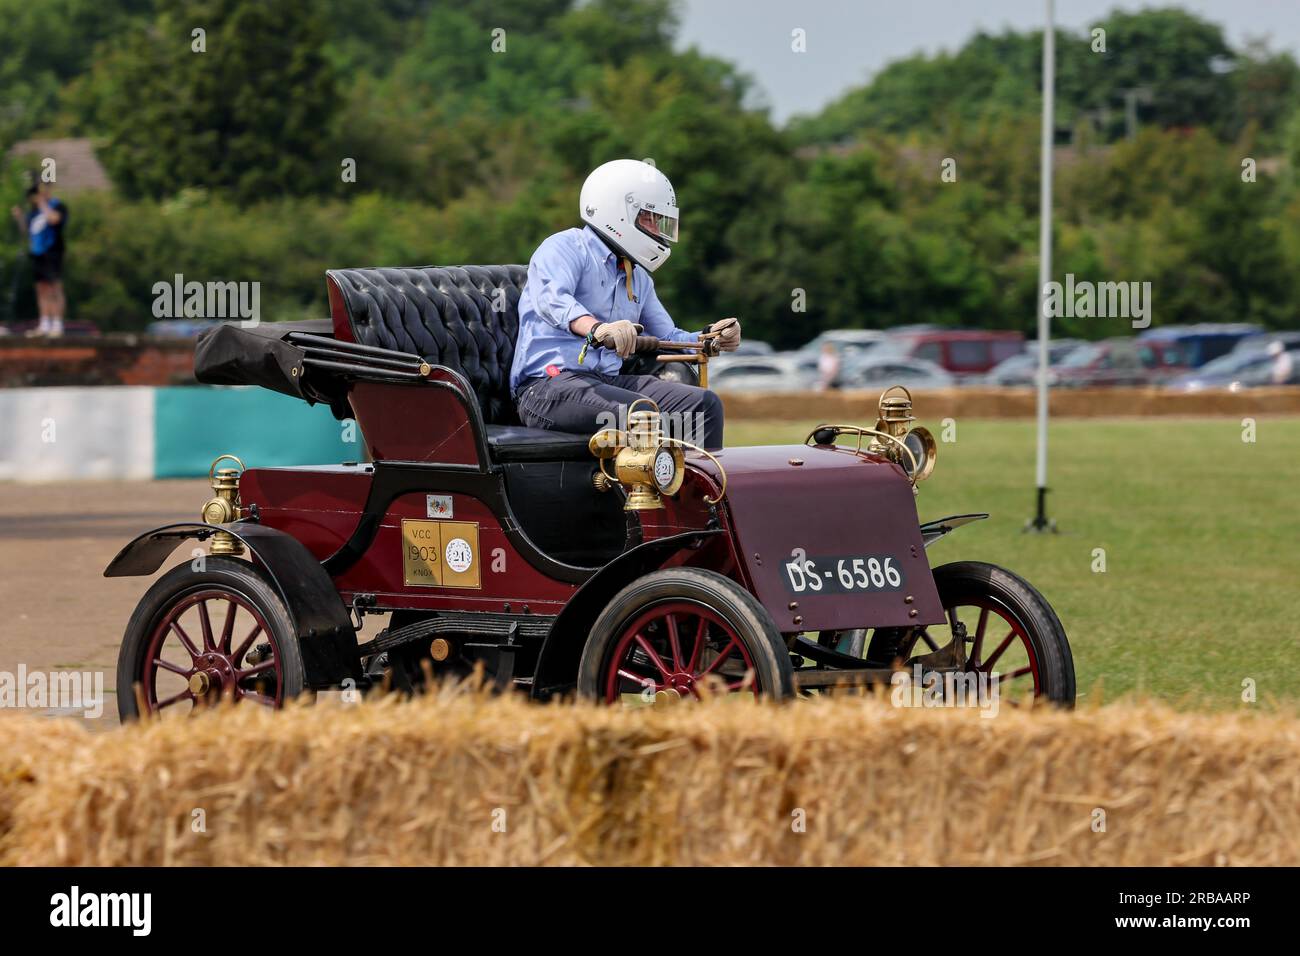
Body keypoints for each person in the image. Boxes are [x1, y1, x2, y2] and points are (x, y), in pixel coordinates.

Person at [508, 159, 740, 450]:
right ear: (616, 211)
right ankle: (642, 494)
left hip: (604, 382)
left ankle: (698, 494)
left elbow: (667, 337)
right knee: (640, 413)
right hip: (546, 389)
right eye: (649, 218)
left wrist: (709, 339)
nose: (657, 229)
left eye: (660, 220)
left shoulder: (637, 277)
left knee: (705, 406)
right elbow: (552, 299)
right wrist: (598, 329)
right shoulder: (565, 246)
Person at [10, 183, 68, 337]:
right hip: (37, 253)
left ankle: (57, 324)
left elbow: (53, 220)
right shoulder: (34, 212)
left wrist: (43, 203)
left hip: (53, 252)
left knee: (54, 287)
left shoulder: (58, 206)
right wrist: (20, 218)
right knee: (41, 288)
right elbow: (27, 231)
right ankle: (45, 323)